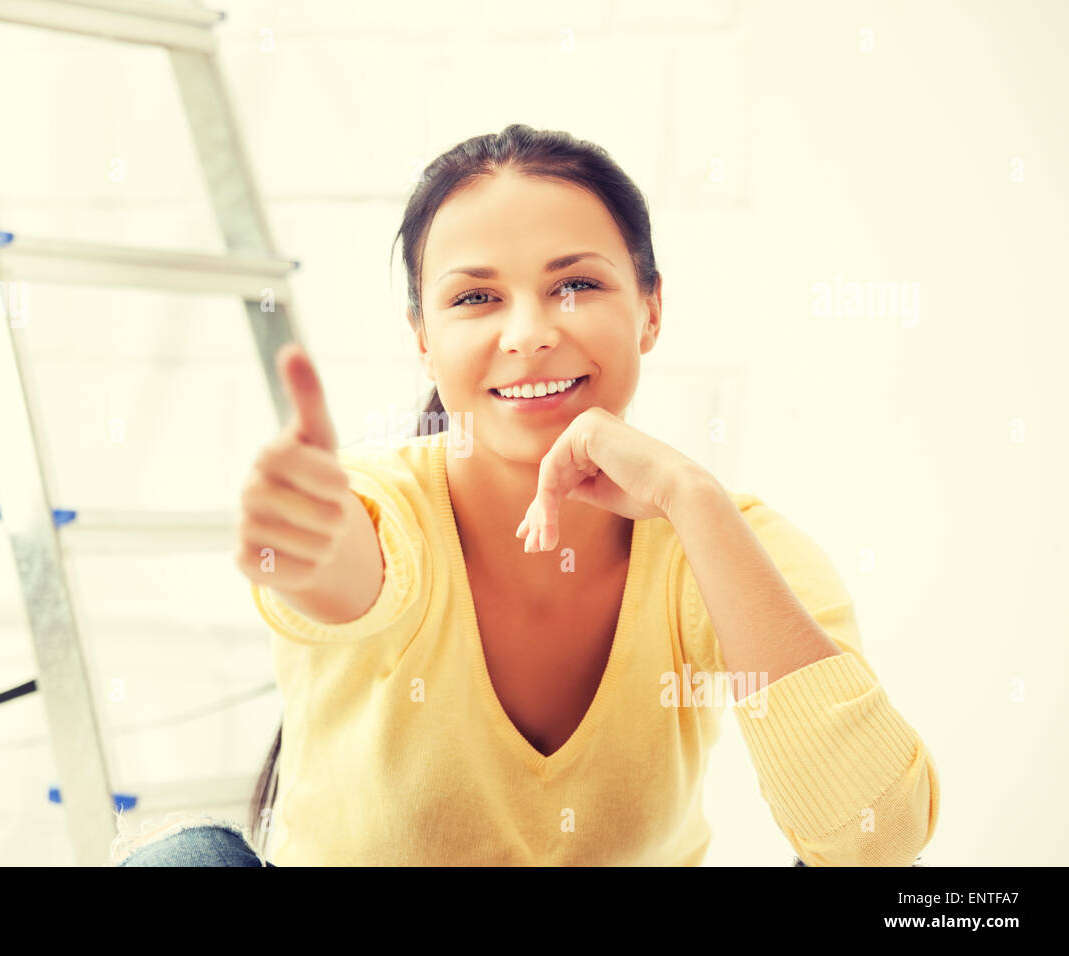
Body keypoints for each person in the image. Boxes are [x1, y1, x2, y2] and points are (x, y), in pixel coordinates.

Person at [114, 123, 940, 867]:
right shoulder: (381, 506)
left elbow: (877, 839)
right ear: (424, 342)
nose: (529, 333)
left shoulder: (726, 538)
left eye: (575, 285)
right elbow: (352, 571)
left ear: (651, 310)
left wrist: (693, 499)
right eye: (476, 298)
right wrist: (310, 548)